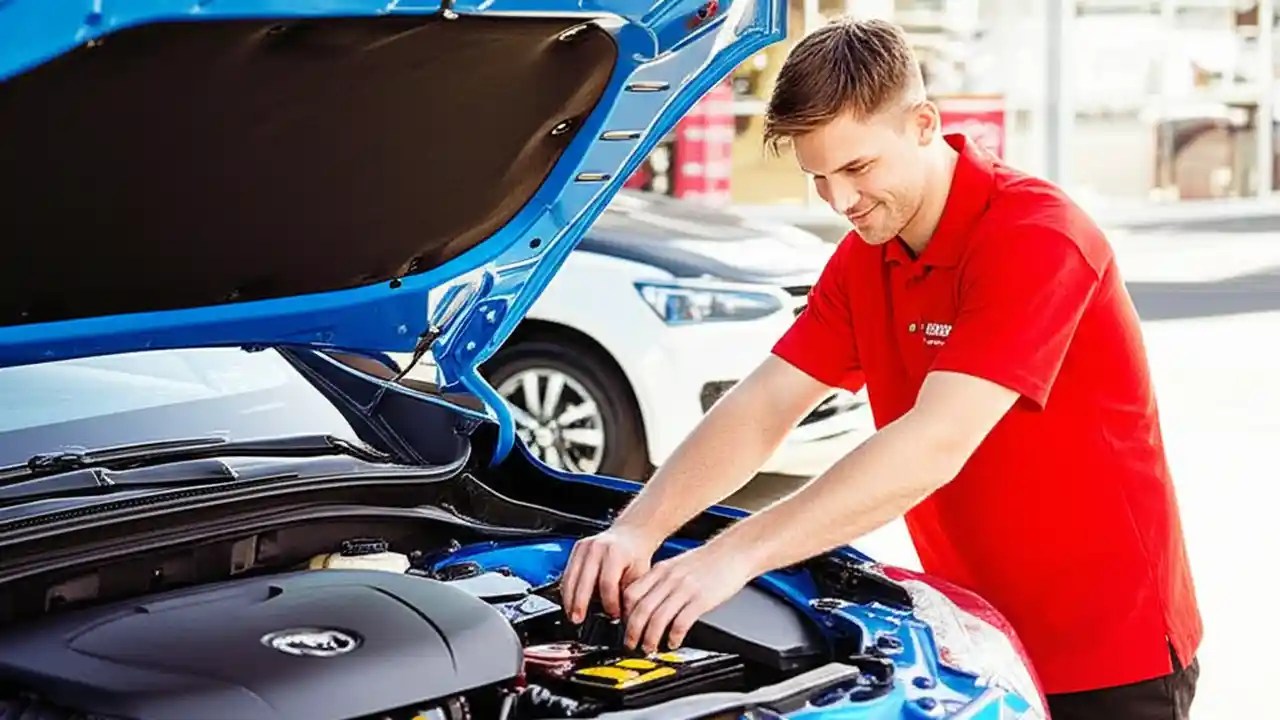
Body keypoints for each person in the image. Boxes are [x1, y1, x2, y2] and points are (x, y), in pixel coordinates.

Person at [559, 16, 1202, 720]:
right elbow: (766, 404)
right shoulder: (868, 255)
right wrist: (639, 527)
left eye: (858, 168)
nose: (839, 202)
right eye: (818, 177)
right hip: (978, 640)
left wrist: (731, 555)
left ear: (923, 124)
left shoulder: (1036, 239)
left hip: (1108, 650)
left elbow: (932, 445)